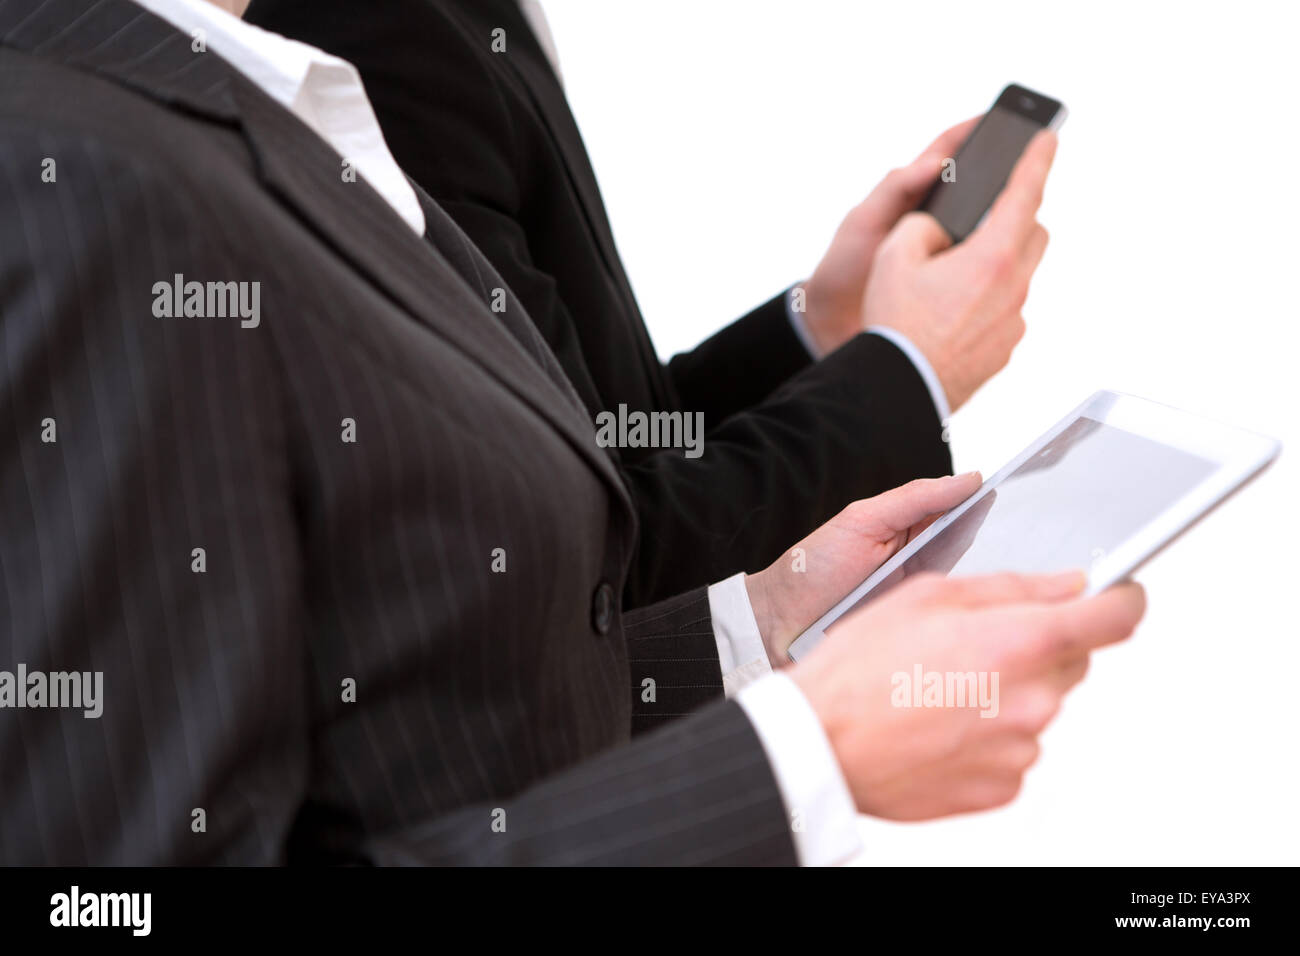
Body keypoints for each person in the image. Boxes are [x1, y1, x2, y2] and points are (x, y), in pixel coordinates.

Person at [0, 0, 1143, 866]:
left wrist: (756, 623)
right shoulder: (96, 177)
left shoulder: (271, 97)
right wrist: (803, 756)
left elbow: (437, 654)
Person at [246, 0, 1057, 605]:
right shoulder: (366, 38)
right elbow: (589, 570)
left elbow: (600, 428)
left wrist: (823, 327)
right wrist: (906, 369)